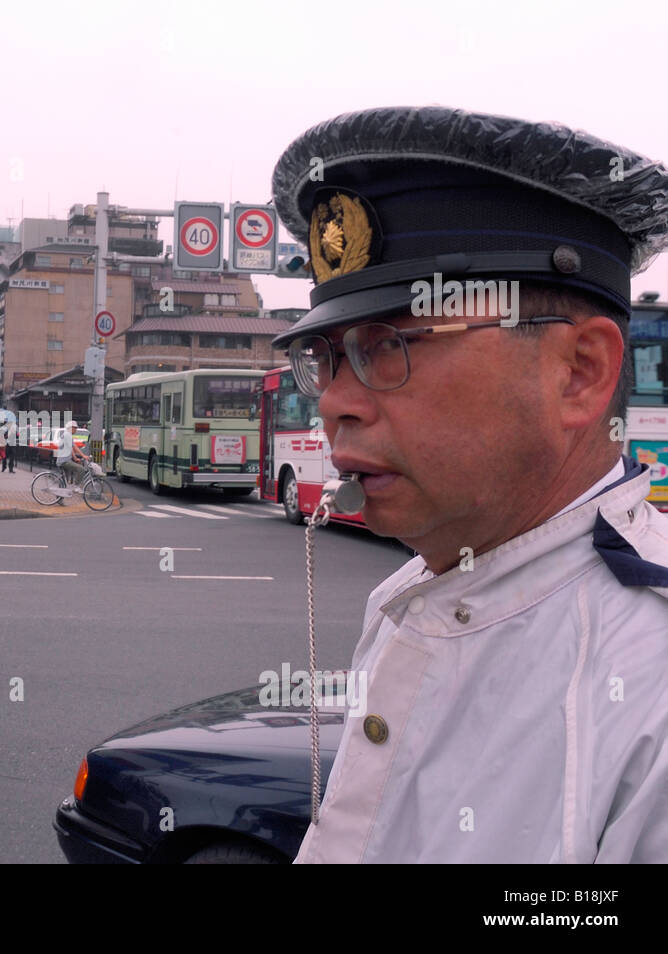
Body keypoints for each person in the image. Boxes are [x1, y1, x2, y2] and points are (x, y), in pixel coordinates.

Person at [269, 105, 668, 863]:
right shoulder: (420, 590)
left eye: (389, 344)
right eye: (325, 358)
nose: (331, 401)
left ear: (578, 373)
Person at [56, 419, 91, 491]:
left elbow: (70, 448)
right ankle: (76, 487)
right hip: (64, 461)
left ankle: (60, 498)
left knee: (64, 481)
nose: (76, 430)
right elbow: (74, 447)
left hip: (62, 460)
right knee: (81, 469)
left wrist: (75, 458)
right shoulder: (67, 435)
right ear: (71, 428)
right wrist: (83, 456)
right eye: (75, 428)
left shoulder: (66, 434)